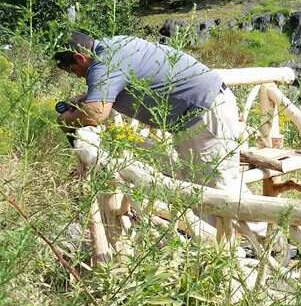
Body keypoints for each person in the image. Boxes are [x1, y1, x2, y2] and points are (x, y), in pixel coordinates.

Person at [53, 32, 244, 191]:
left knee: (217, 187)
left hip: (202, 112)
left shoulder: (103, 63)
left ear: (80, 57)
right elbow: (120, 81)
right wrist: (85, 97)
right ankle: (250, 233)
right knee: (210, 181)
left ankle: (252, 235)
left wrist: (65, 121)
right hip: (204, 108)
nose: (78, 75)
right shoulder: (116, 45)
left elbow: (96, 114)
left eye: (73, 70)